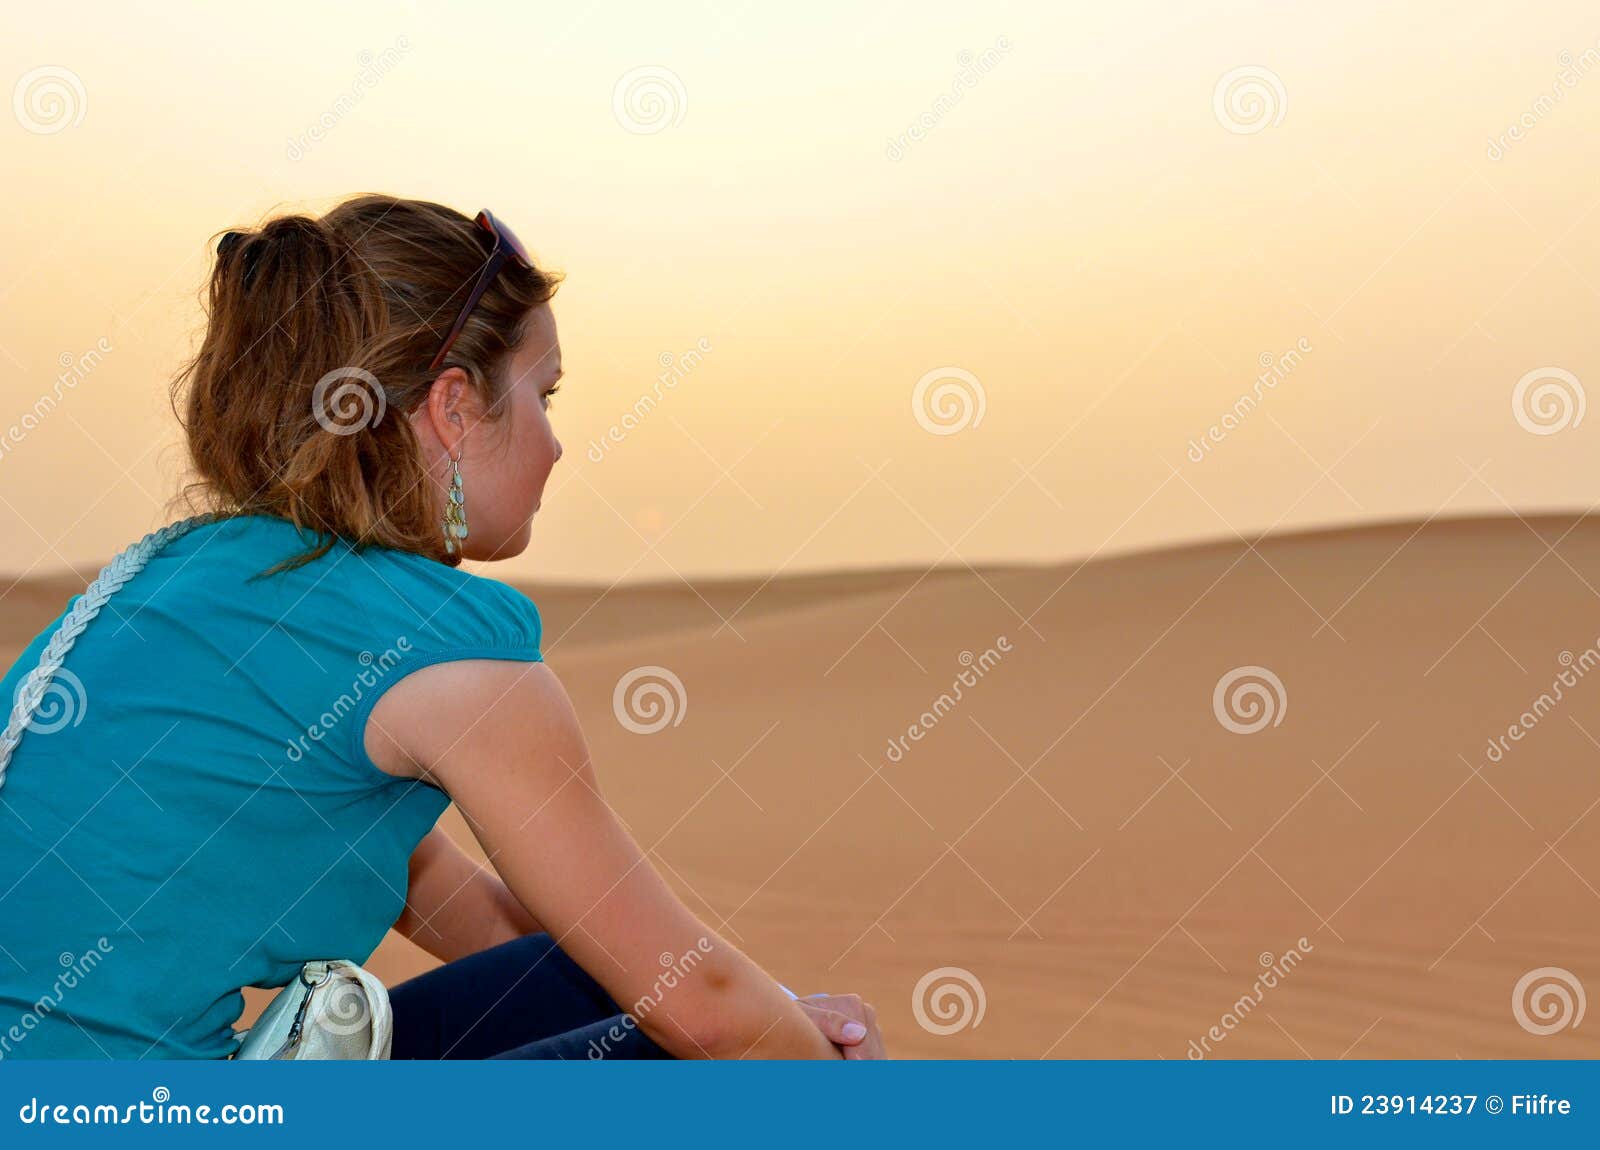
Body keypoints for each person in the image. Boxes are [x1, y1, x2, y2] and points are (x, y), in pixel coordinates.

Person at [0, 194, 885, 1061]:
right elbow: (701, 1017)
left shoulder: (177, 579)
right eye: (546, 393)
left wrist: (772, 1016)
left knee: (574, 975)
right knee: (701, 1067)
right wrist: (825, 1068)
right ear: (455, 408)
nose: (557, 443)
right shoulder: (445, 646)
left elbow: (469, 908)